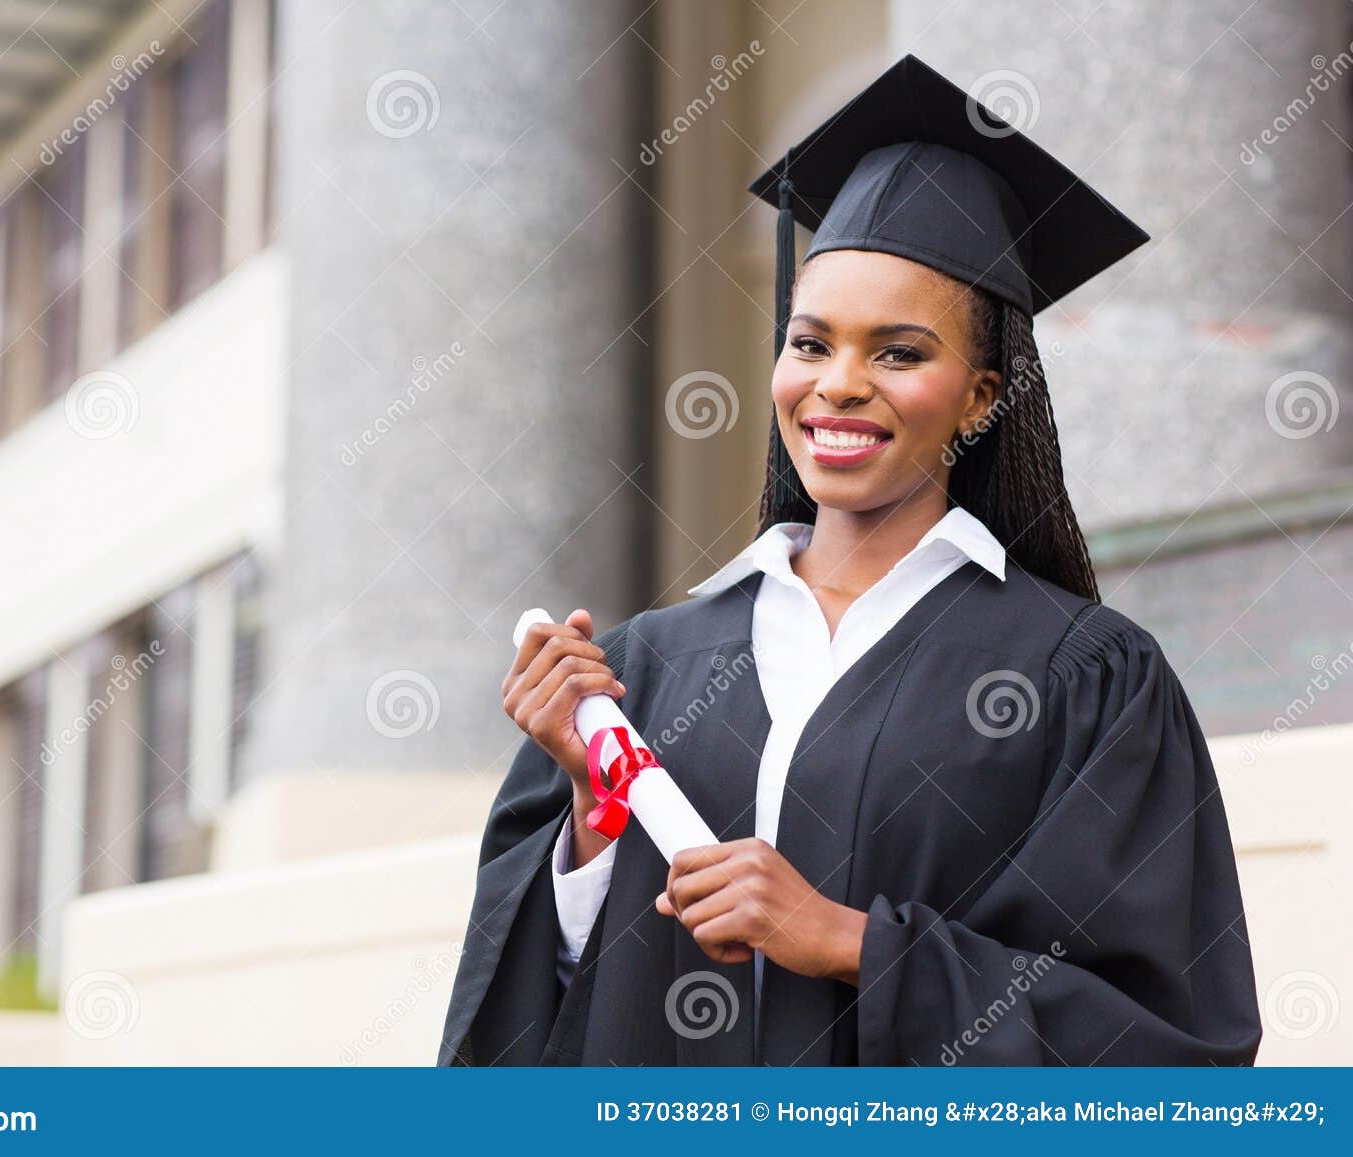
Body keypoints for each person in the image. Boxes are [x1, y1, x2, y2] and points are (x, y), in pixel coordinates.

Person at [439, 54, 1262, 1066]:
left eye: (898, 352)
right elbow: (519, 1024)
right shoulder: (642, 670)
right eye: (810, 343)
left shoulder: (1086, 679)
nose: (838, 384)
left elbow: (1164, 1047)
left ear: (982, 396)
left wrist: (852, 942)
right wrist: (593, 813)